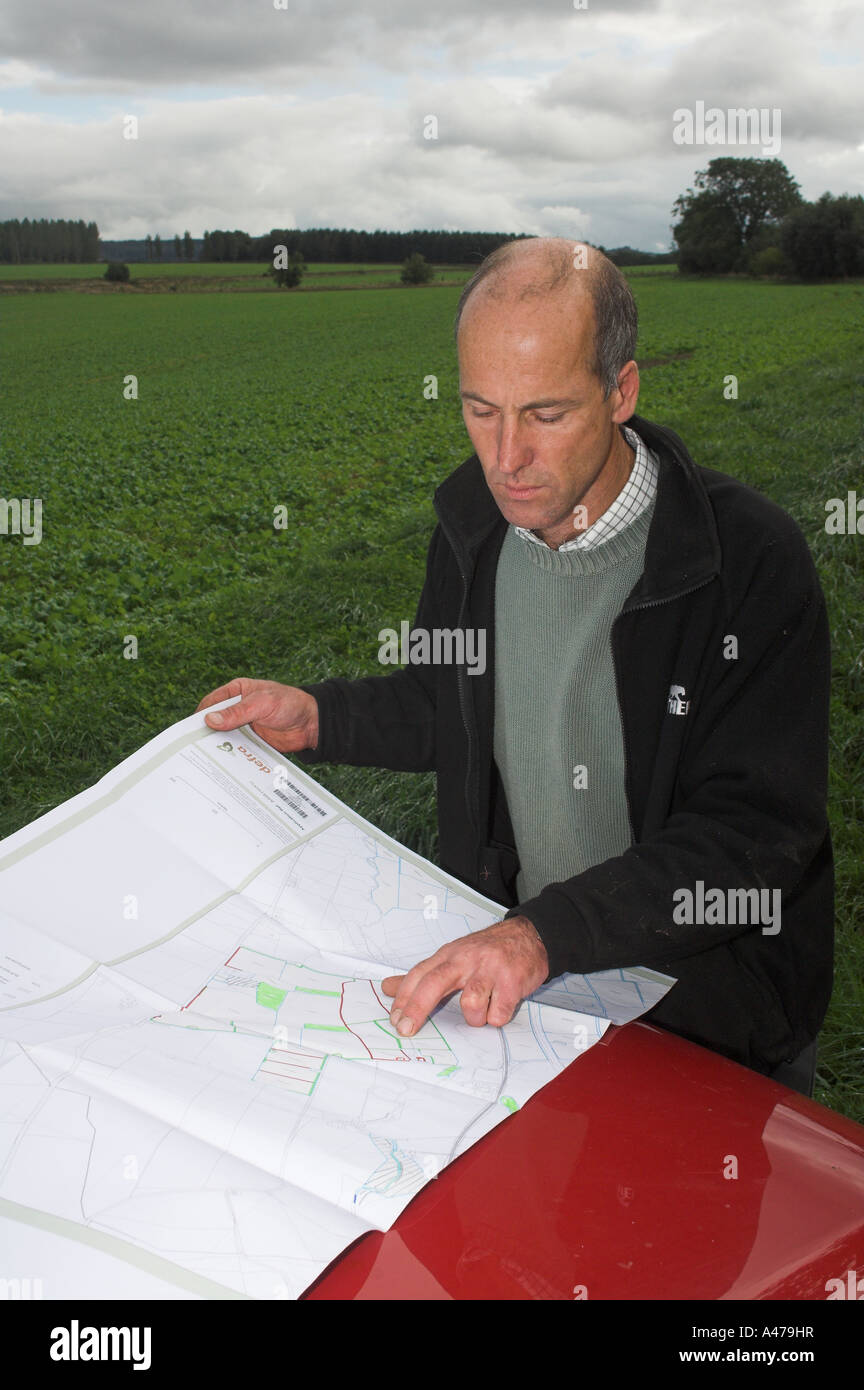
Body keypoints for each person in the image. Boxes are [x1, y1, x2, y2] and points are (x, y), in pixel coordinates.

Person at [197, 238, 832, 1095]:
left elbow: (752, 835)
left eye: (545, 413)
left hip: (699, 1016)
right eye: (480, 410)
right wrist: (318, 715)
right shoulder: (473, 531)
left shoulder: (746, 561)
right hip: (520, 1007)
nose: (505, 458)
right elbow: (448, 698)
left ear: (622, 392)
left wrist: (543, 935)